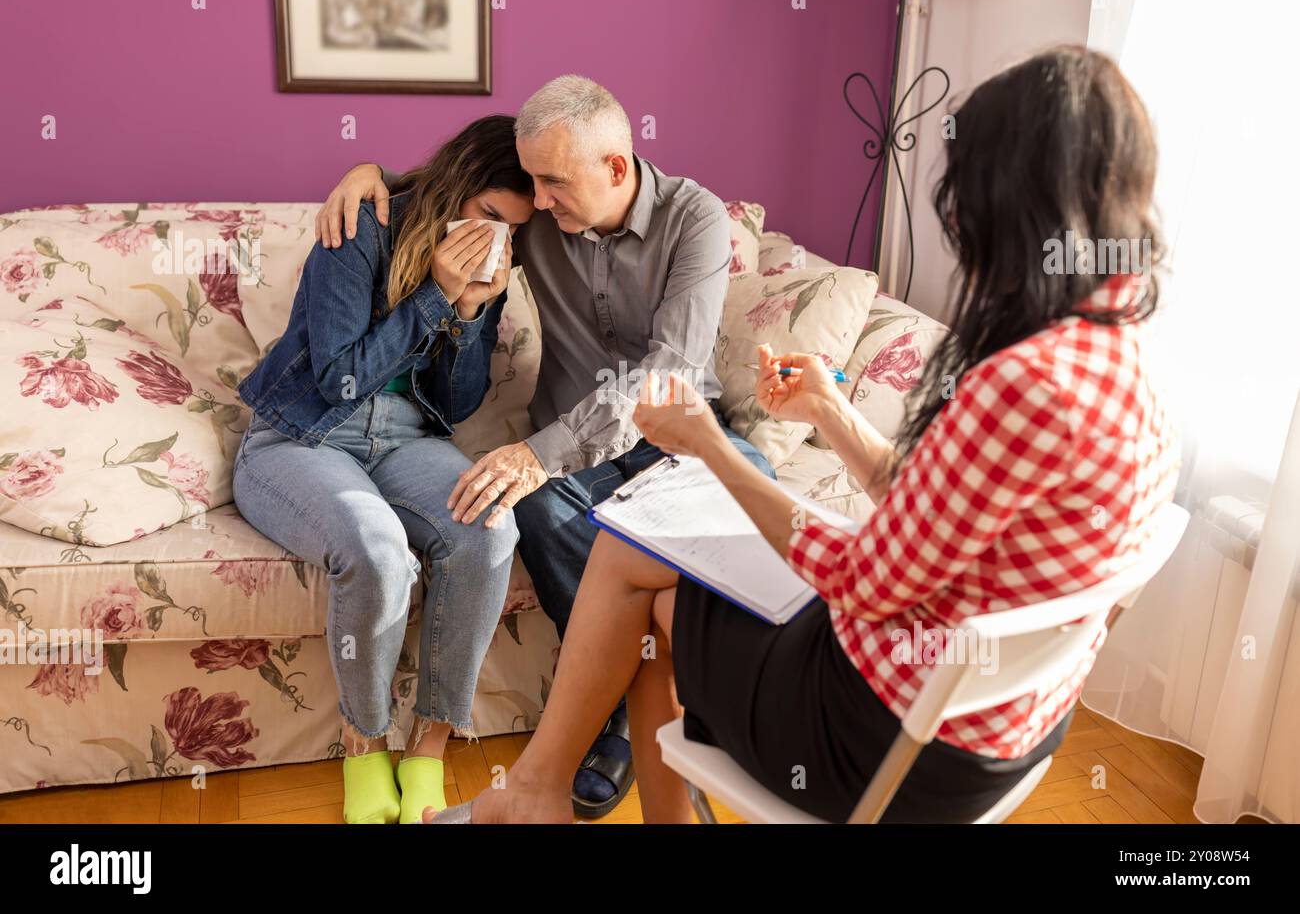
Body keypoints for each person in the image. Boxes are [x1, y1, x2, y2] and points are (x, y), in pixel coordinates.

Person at [421, 45, 1181, 824]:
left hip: (879, 739)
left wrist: (711, 446)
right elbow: (931, 509)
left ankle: (532, 796)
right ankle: (548, 788)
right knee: (641, 572)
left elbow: (861, 580)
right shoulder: (1126, 365)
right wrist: (831, 414)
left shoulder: (1019, 382)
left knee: (635, 563)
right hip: (999, 735)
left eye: (967, 198)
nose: (958, 224)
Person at [314, 75, 775, 818]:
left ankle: (693, 722)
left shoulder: (697, 221)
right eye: (531, 180)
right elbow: (453, 201)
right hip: (572, 474)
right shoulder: (539, 214)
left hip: (676, 443)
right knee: (517, 506)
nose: (539, 201)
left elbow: (667, 380)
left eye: (554, 181)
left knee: (756, 501)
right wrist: (371, 175)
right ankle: (630, 710)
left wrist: (538, 452)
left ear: (617, 168)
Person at [234, 115, 535, 823]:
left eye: (513, 231)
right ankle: (362, 741)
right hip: (303, 436)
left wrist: (465, 314)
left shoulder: (490, 265)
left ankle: (428, 748)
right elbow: (339, 381)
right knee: (376, 553)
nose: (496, 239)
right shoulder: (362, 225)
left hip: (404, 441)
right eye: (489, 215)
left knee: (490, 528)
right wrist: (433, 293)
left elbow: (456, 407)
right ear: (460, 179)